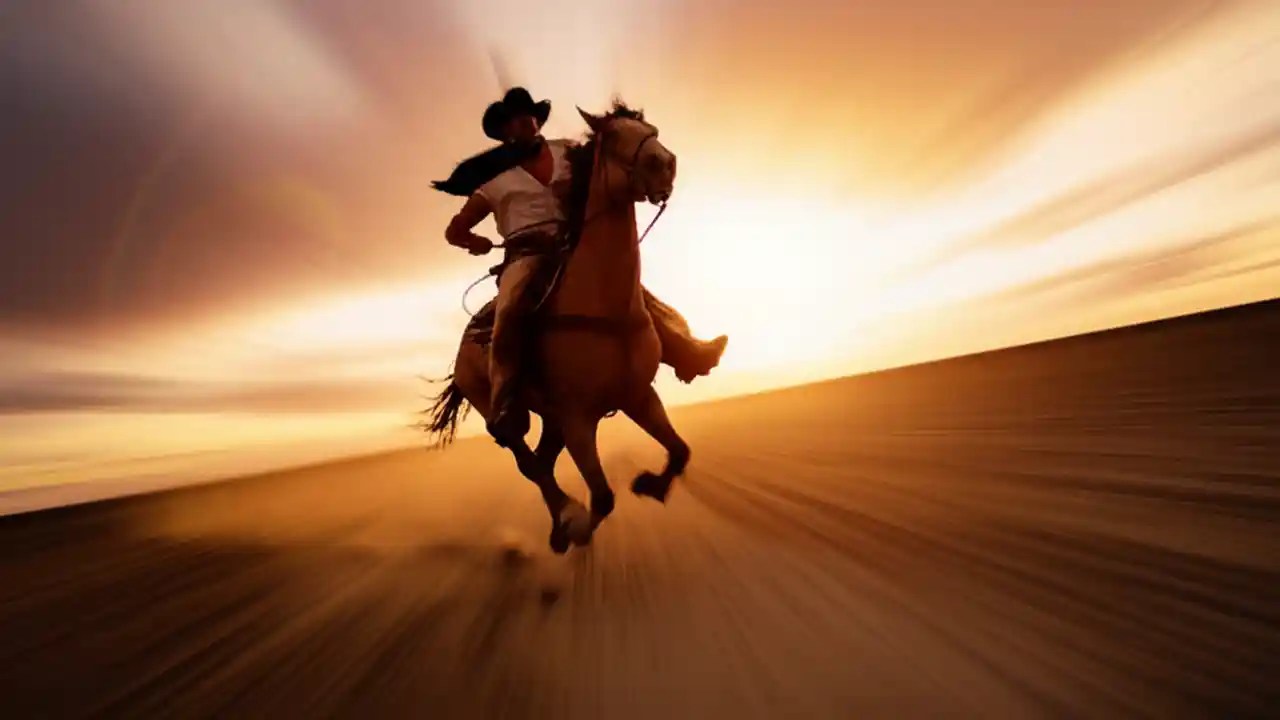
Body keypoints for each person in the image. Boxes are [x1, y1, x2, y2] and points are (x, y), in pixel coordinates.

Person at [433, 87, 728, 445]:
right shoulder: (493, 181)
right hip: (525, 255)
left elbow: (608, 163)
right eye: (514, 118)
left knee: (631, 292)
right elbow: (456, 229)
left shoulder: (567, 153)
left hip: (573, 243)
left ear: (536, 120)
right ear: (505, 130)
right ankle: (505, 401)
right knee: (510, 308)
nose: (524, 121)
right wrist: (472, 241)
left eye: (528, 114)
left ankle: (688, 351)